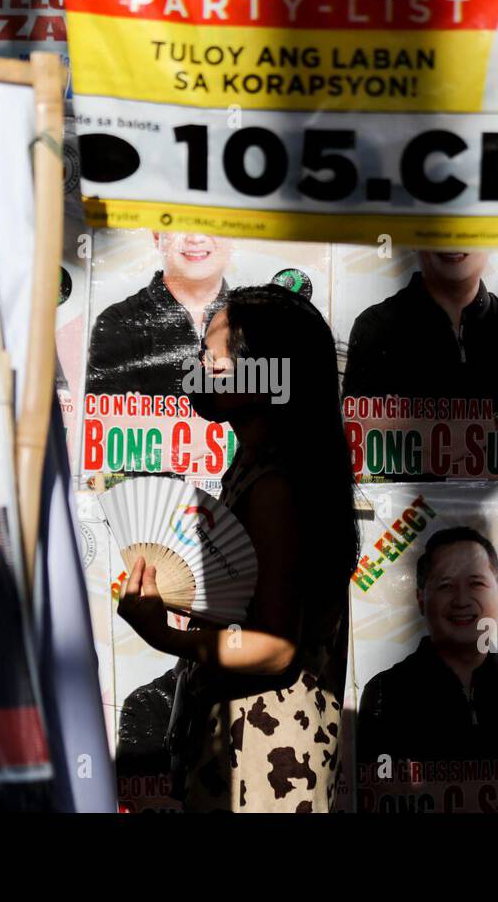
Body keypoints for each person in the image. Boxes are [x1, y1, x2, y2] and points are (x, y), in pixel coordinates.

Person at [114, 284, 358, 812]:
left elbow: (275, 648)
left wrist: (166, 637)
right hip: (244, 747)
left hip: (265, 762)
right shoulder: (256, 467)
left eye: (212, 356)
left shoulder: (276, 486)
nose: (197, 367)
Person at [357, 526, 498, 772]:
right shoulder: (385, 691)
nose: (462, 600)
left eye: (476, 583)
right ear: (421, 599)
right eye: (445, 585)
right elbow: (373, 786)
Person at [343, 250, 498, 424]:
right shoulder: (376, 324)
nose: (454, 240)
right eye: (440, 227)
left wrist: (485, 429)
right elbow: (361, 427)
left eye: (468, 228)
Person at [85, 232, 231, 397]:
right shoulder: (119, 322)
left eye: (211, 221)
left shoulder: (257, 323)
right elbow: (103, 416)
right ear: (156, 235)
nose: (196, 238)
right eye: (181, 219)